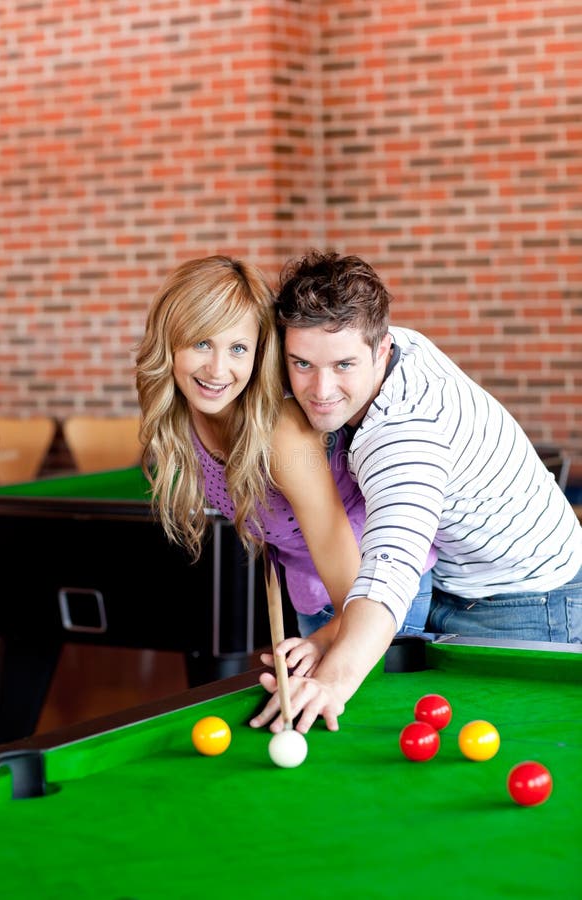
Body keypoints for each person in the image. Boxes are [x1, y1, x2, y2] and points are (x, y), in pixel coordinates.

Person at [250, 249, 582, 735]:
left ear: (381, 350)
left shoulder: (403, 433)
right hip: (457, 579)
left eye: (343, 365)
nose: (320, 389)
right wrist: (326, 639)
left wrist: (333, 681)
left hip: (528, 599)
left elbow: (390, 567)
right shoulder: (379, 341)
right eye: (302, 363)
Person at [135, 255, 435, 676]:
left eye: (238, 348)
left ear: (259, 354)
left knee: (353, 713)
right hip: (310, 594)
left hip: (374, 595)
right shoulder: (183, 419)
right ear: (169, 343)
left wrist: (322, 645)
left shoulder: (281, 433)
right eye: (201, 343)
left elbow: (357, 593)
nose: (217, 369)